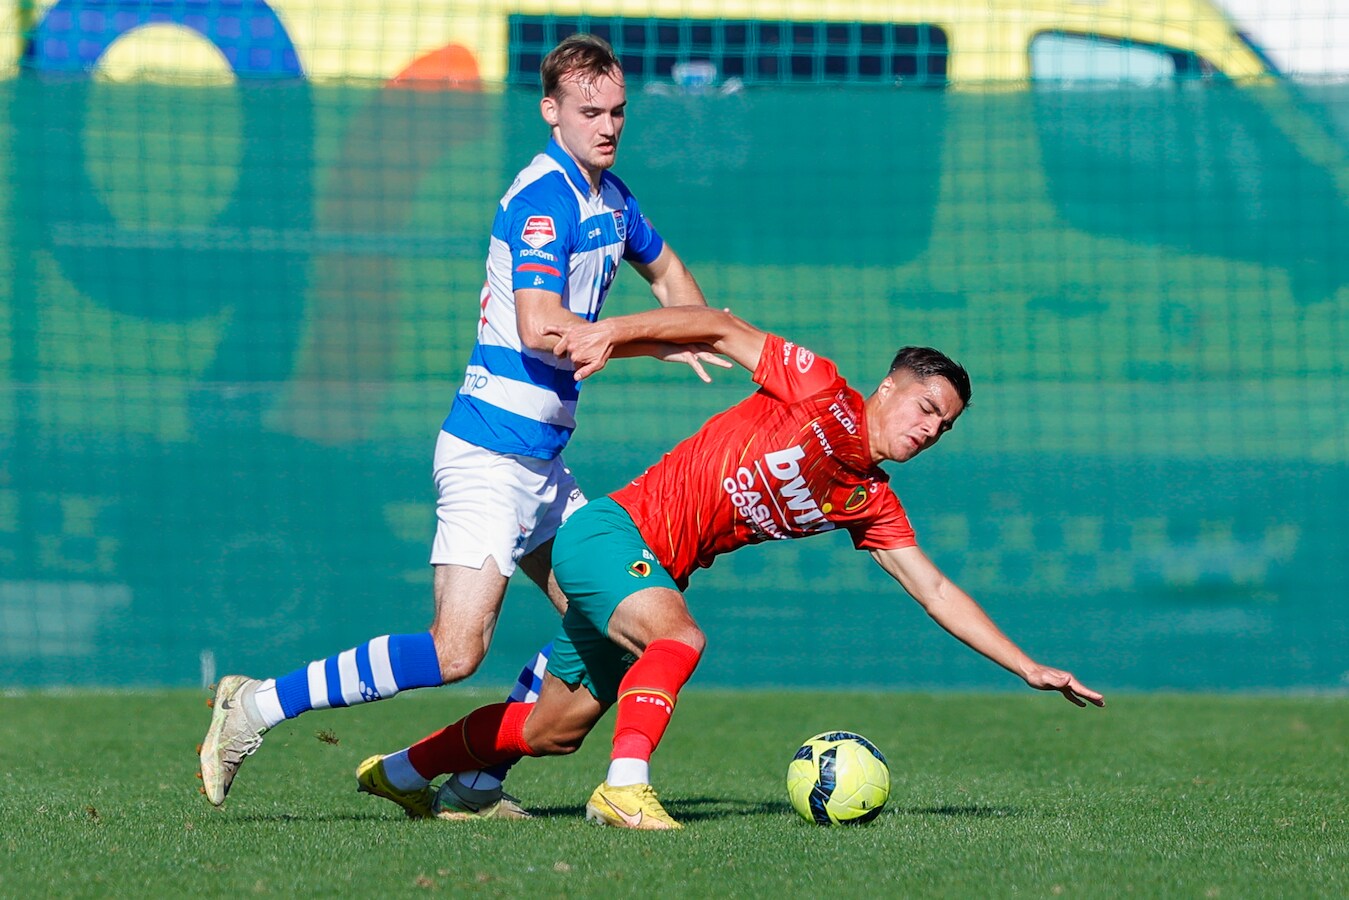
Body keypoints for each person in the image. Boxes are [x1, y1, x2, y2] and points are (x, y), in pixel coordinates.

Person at [198, 34, 726, 817]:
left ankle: (475, 782)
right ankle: (256, 706)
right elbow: (542, 325)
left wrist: (690, 322)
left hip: (543, 469)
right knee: (455, 651)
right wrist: (643, 338)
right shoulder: (541, 200)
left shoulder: (613, 199)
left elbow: (668, 272)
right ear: (551, 112)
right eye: (590, 112)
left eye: (616, 111)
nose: (607, 125)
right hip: (488, 454)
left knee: (619, 620)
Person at [359, 306, 1106, 829]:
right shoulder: (819, 389)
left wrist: (1027, 666)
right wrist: (614, 332)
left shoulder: (867, 500)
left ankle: (399, 773)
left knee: (552, 730)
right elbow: (720, 327)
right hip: (611, 534)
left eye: (944, 425)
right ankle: (625, 791)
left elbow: (933, 586)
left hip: (647, 572)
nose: (930, 429)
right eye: (924, 408)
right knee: (678, 640)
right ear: (889, 387)